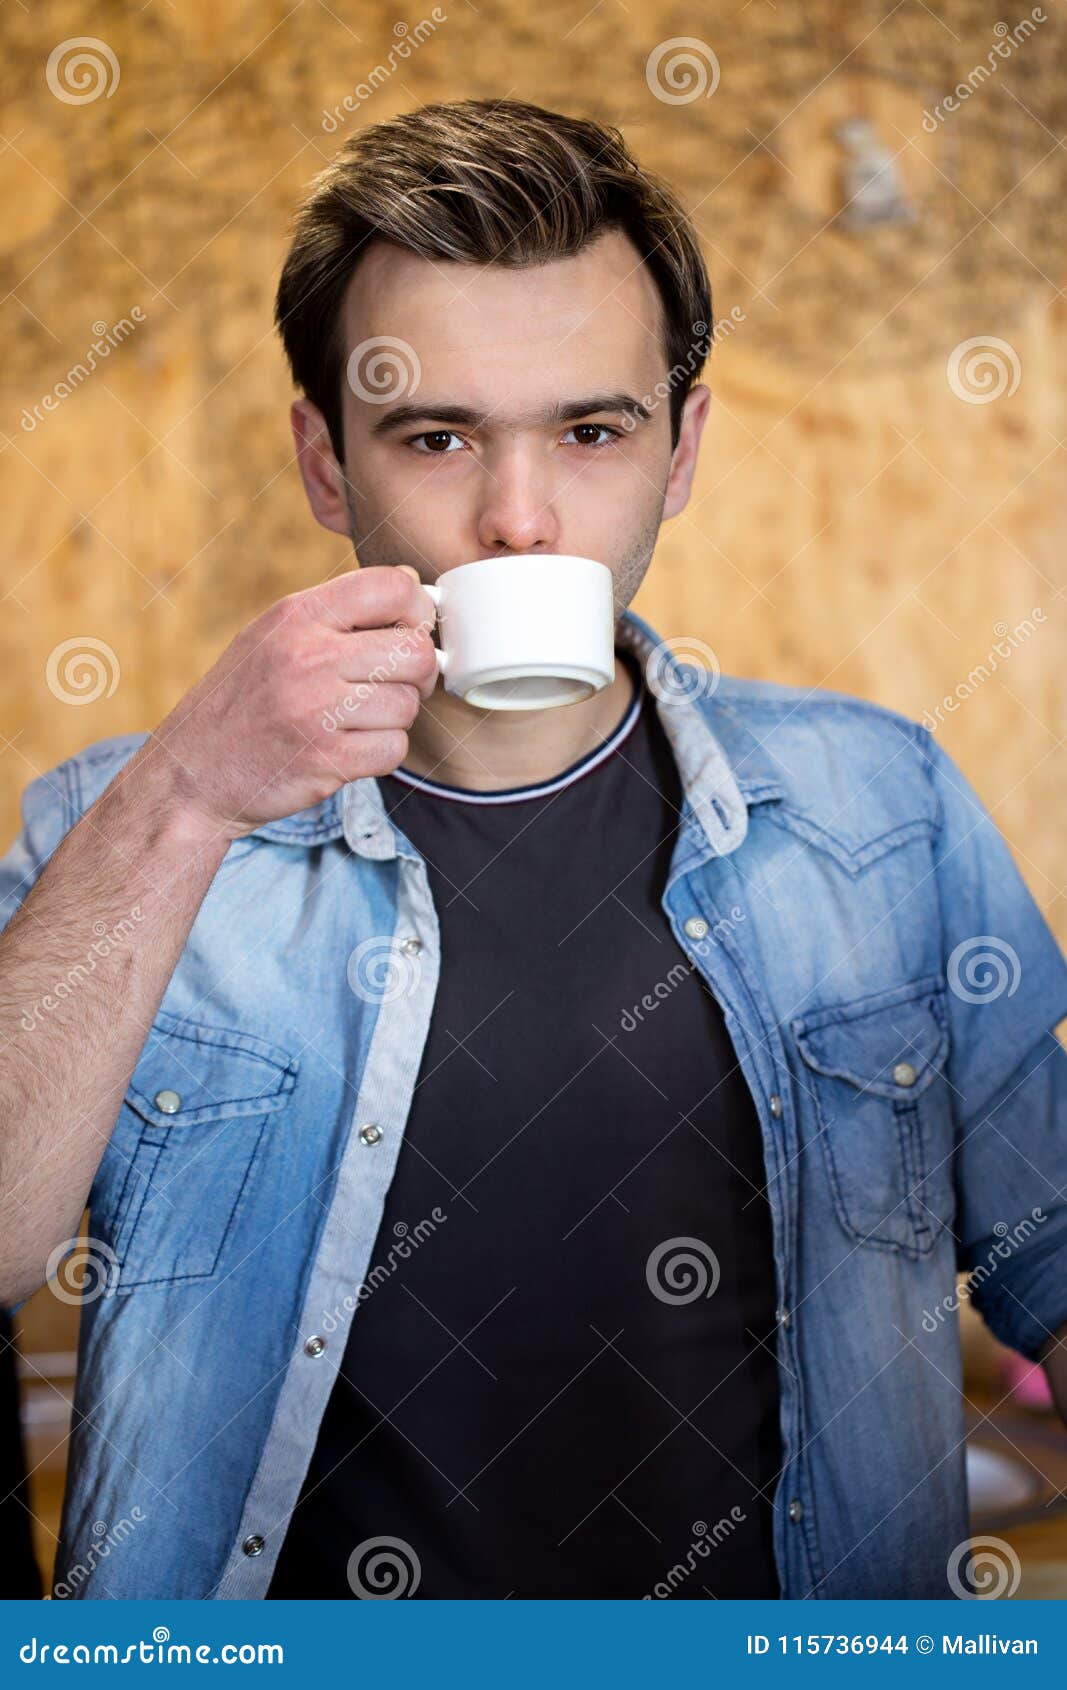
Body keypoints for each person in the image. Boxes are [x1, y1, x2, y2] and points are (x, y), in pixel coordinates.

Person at [0, 98, 1064, 1601]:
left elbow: (1057, 1254)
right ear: (325, 463)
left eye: (590, 430)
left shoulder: (881, 807)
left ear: (681, 450)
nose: (518, 517)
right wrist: (186, 794)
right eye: (435, 435)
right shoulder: (130, 824)